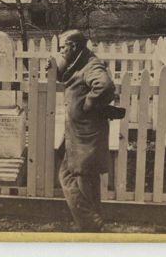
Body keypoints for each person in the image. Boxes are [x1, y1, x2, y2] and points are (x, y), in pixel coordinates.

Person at [53, 29, 115, 232]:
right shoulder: (81, 61)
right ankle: (95, 223)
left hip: (86, 135)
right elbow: (66, 77)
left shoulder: (91, 64)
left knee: (82, 179)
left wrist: (88, 104)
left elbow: (104, 86)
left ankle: (91, 226)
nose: (61, 52)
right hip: (79, 134)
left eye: (63, 48)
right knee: (77, 177)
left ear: (73, 46)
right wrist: (56, 65)